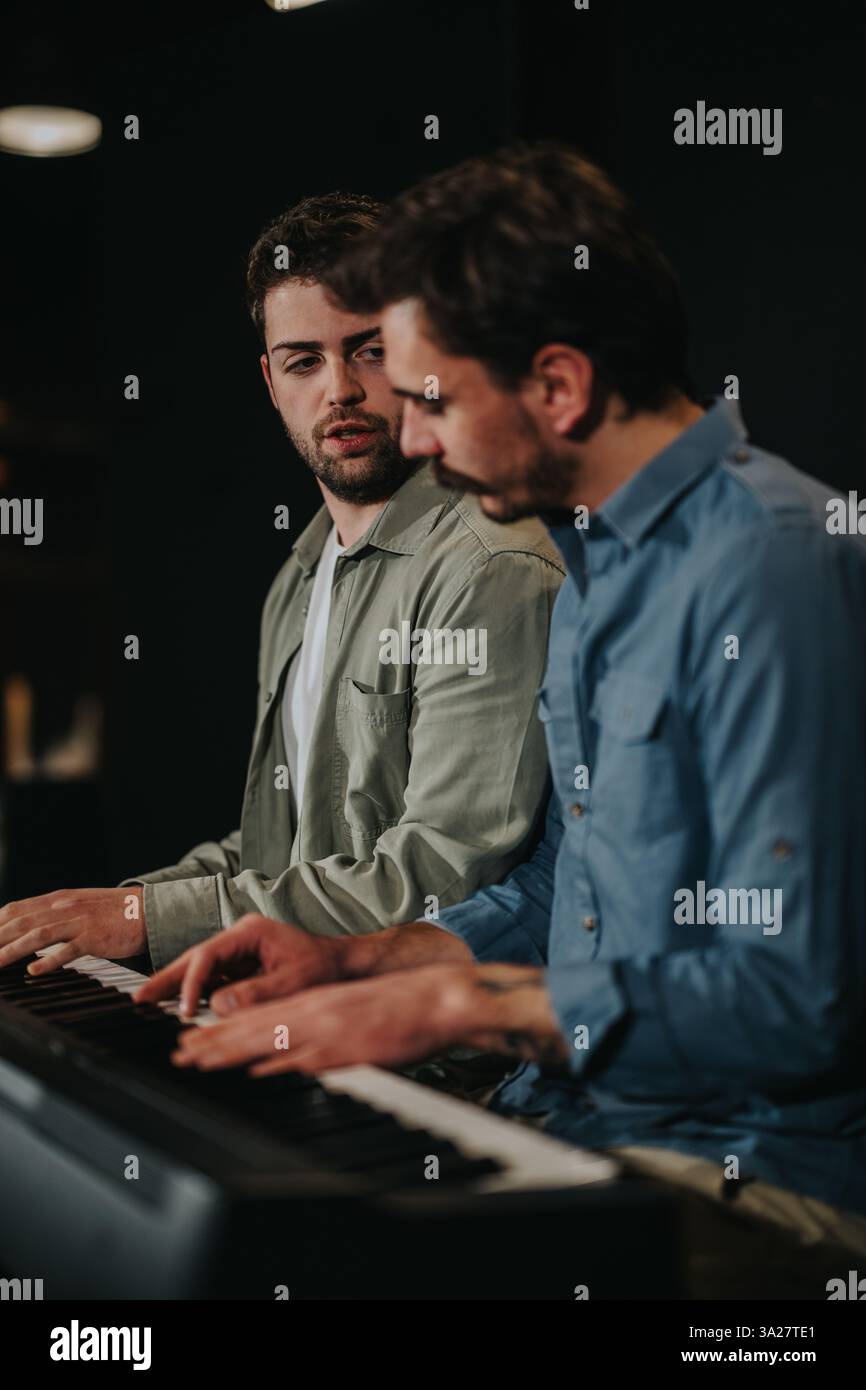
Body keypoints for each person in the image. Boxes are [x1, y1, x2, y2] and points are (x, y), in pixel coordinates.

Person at [137, 144, 866, 1295]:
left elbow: (792, 1001)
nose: (410, 437)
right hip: (576, 1124)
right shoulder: (597, 574)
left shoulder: (766, 566)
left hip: (755, 1184)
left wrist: (451, 1003)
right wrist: (360, 957)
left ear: (560, 387)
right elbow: (555, 895)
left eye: (429, 396)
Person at [0, 191, 563, 977]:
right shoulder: (298, 578)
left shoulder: (489, 567)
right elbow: (282, 852)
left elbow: (438, 881)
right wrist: (103, 911)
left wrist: (142, 917)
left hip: (434, 1059)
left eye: (370, 351)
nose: (339, 389)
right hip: (299, 1011)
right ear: (271, 383)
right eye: (305, 360)